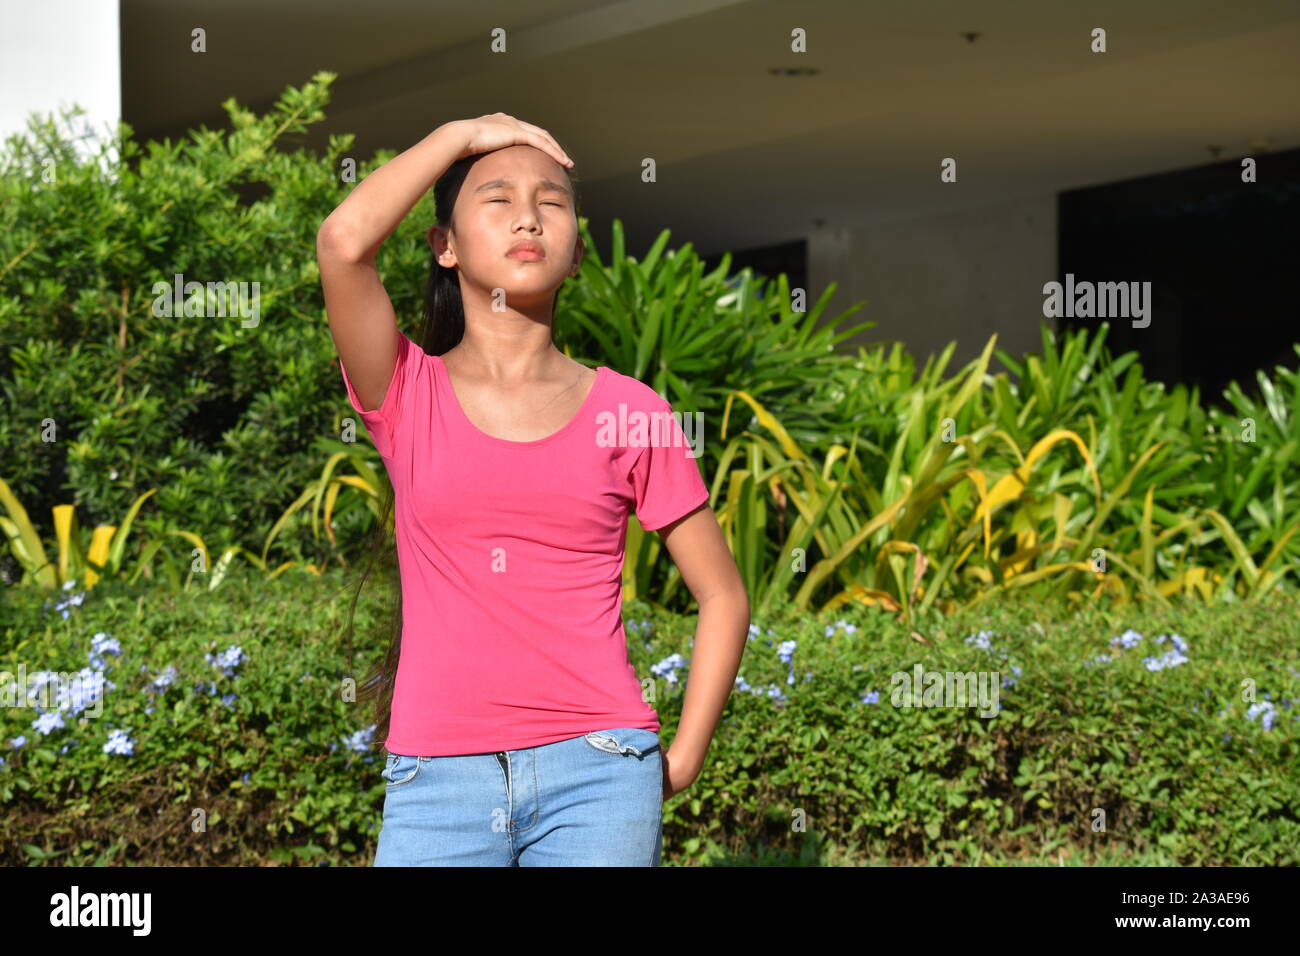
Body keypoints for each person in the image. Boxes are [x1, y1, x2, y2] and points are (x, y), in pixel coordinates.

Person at [316, 114, 750, 866]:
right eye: (497, 197)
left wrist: (678, 759)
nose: (528, 216)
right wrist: (459, 135)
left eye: (552, 201)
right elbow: (344, 243)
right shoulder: (406, 390)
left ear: (577, 251)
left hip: (599, 772)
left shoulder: (631, 411)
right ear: (444, 245)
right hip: (434, 781)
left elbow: (724, 595)